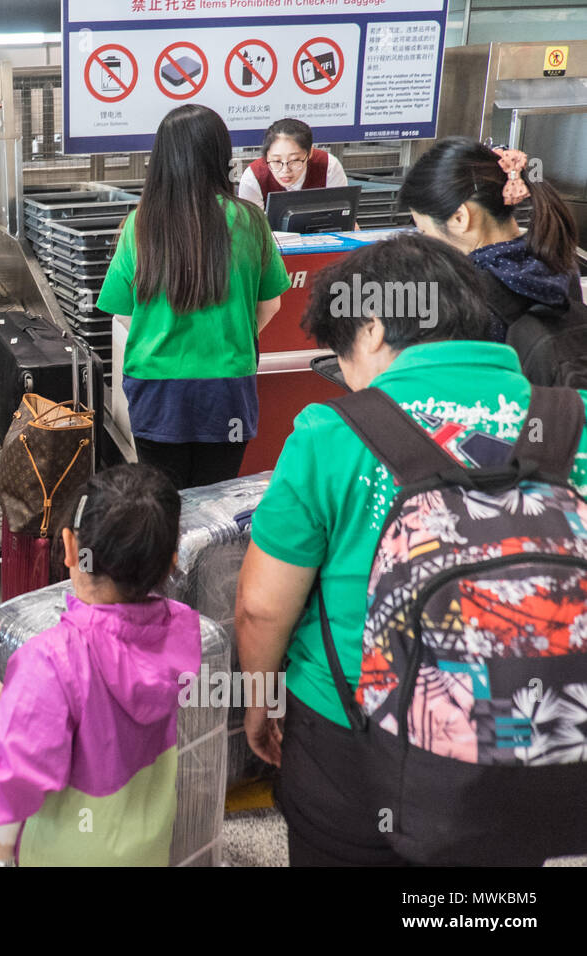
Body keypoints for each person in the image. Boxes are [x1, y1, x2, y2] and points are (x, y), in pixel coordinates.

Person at [235, 232, 587, 865]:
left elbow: (262, 608)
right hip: (538, 740)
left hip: (354, 741)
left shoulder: (329, 435)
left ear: (371, 329)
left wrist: (257, 704)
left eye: (341, 353)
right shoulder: (575, 419)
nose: (345, 375)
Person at [0, 464, 202, 866]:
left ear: (69, 546)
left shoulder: (53, 660)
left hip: (68, 852)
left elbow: (13, 781)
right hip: (146, 842)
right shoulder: (178, 630)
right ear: (170, 562)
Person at [97, 104, 290, 490]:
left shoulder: (141, 222)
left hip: (157, 387)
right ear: (220, 156)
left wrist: (161, 330)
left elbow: (122, 313)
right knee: (214, 503)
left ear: (162, 159)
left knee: (163, 501)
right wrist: (230, 333)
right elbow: (271, 304)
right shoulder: (250, 220)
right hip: (227, 387)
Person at [399, 136, 584, 380]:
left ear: (459, 218)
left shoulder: (462, 297)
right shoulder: (559, 262)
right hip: (565, 411)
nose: (425, 243)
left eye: (424, 231)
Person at [237, 118, 349, 209]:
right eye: (276, 161)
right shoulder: (253, 177)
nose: (285, 170)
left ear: (310, 153)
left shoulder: (328, 166)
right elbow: (253, 228)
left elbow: (343, 213)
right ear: (266, 155)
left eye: (294, 160)